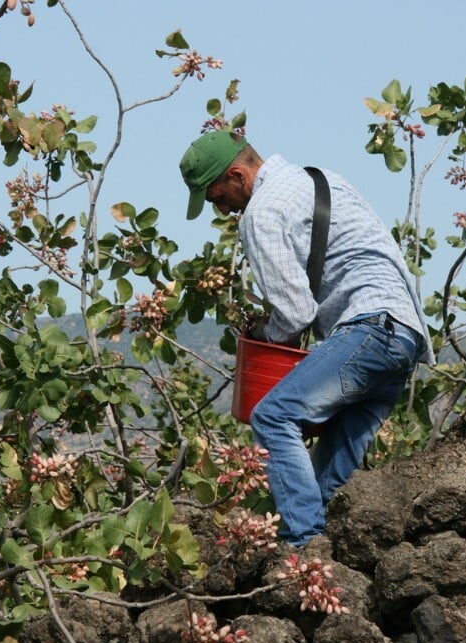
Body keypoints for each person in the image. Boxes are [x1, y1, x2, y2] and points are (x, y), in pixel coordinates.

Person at [179, 130, 435, 546]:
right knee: (326, 486)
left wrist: (263, 332)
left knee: (272, 416)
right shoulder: (321, 178)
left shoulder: (261, 213)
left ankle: (303, 549)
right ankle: (329, 553)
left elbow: (296, 314)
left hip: (367, 329)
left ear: (238, 175)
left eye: (217, 198)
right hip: (404, 335)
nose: (223, 210)